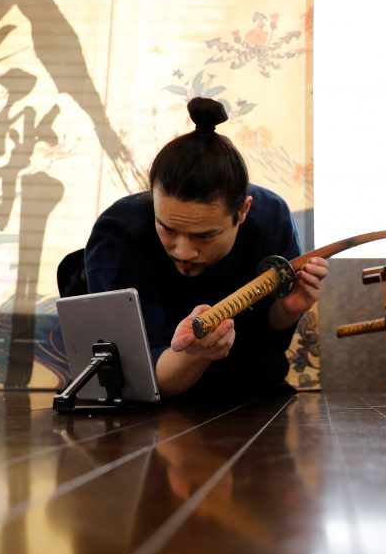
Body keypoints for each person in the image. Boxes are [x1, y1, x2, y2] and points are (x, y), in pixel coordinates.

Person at [84, 97, 328, 400]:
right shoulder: (119, 231)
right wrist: (195, 353)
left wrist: (287, 310)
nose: (183, 251)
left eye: (204, 236)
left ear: (242, 212)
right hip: (147, 406)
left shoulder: (271, 218)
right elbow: (135, 374)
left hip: (251, 396)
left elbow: (268, 338)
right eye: (167, 228)